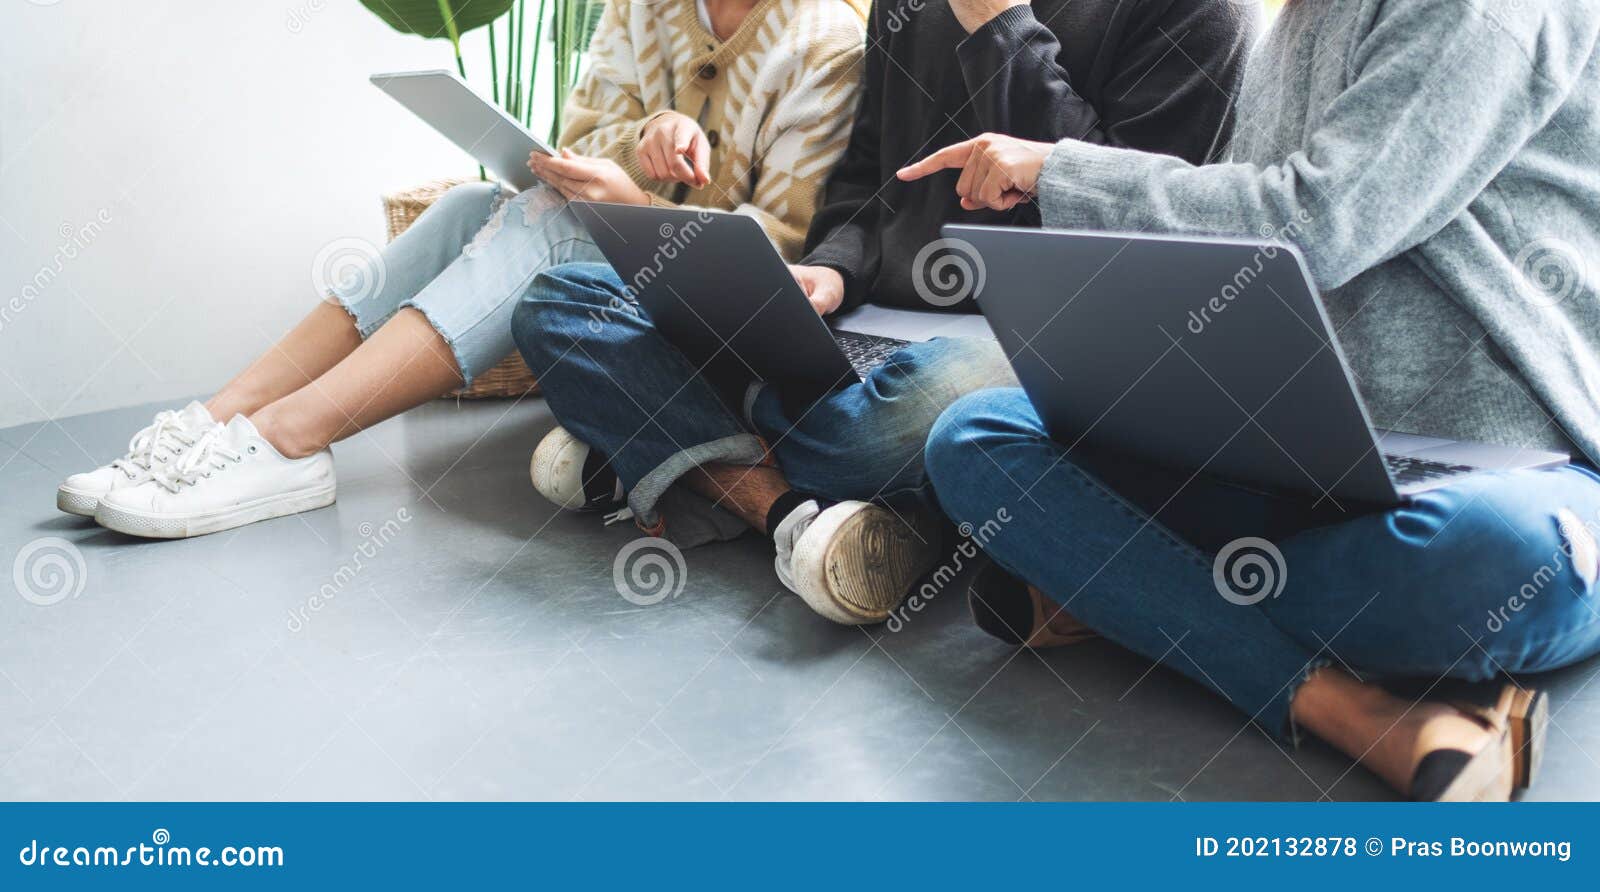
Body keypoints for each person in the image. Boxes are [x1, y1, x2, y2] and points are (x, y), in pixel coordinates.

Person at [909, 0, 1600, 800]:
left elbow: (1313, 222)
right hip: (1303, 449)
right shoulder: (1296, 25)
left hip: (1505, 464)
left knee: (1521, 561)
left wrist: (1057, 168)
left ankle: (1120, 592)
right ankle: (1332, 697)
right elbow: (1234, 243)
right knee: (977, 438)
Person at [514, 0, 1257, 624]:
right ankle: (788, 509)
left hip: (1024, 337)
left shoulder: (1199, 13)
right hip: (863, 323)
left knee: (903, 426)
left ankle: (684, 449)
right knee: (562, 302)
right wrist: (831, 272)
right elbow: (868, 182)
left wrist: (1003, 29)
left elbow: (1142, 235)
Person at [59, 0, 868, 538]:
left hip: (728, 318)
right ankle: (218, 422)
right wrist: (640, 140)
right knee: (460, 208)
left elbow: (781, 252)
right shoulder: (643, 5)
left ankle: (284, 444)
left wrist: (636, 201)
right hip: (630, 271)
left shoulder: (828, 40)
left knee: (547, 229)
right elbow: (577, 136)